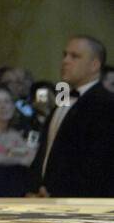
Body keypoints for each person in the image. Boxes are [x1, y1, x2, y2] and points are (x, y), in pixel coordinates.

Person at [28, 36, 114, 197]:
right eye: (65, 55)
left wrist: (57, 194)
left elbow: (99, 164)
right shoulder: (63, 101)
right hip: (44, 201)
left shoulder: (107, 105)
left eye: (75, 56)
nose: (65, 61)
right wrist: (33, 188)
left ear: (94, 65)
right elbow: (45, 152)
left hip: (81, 206)